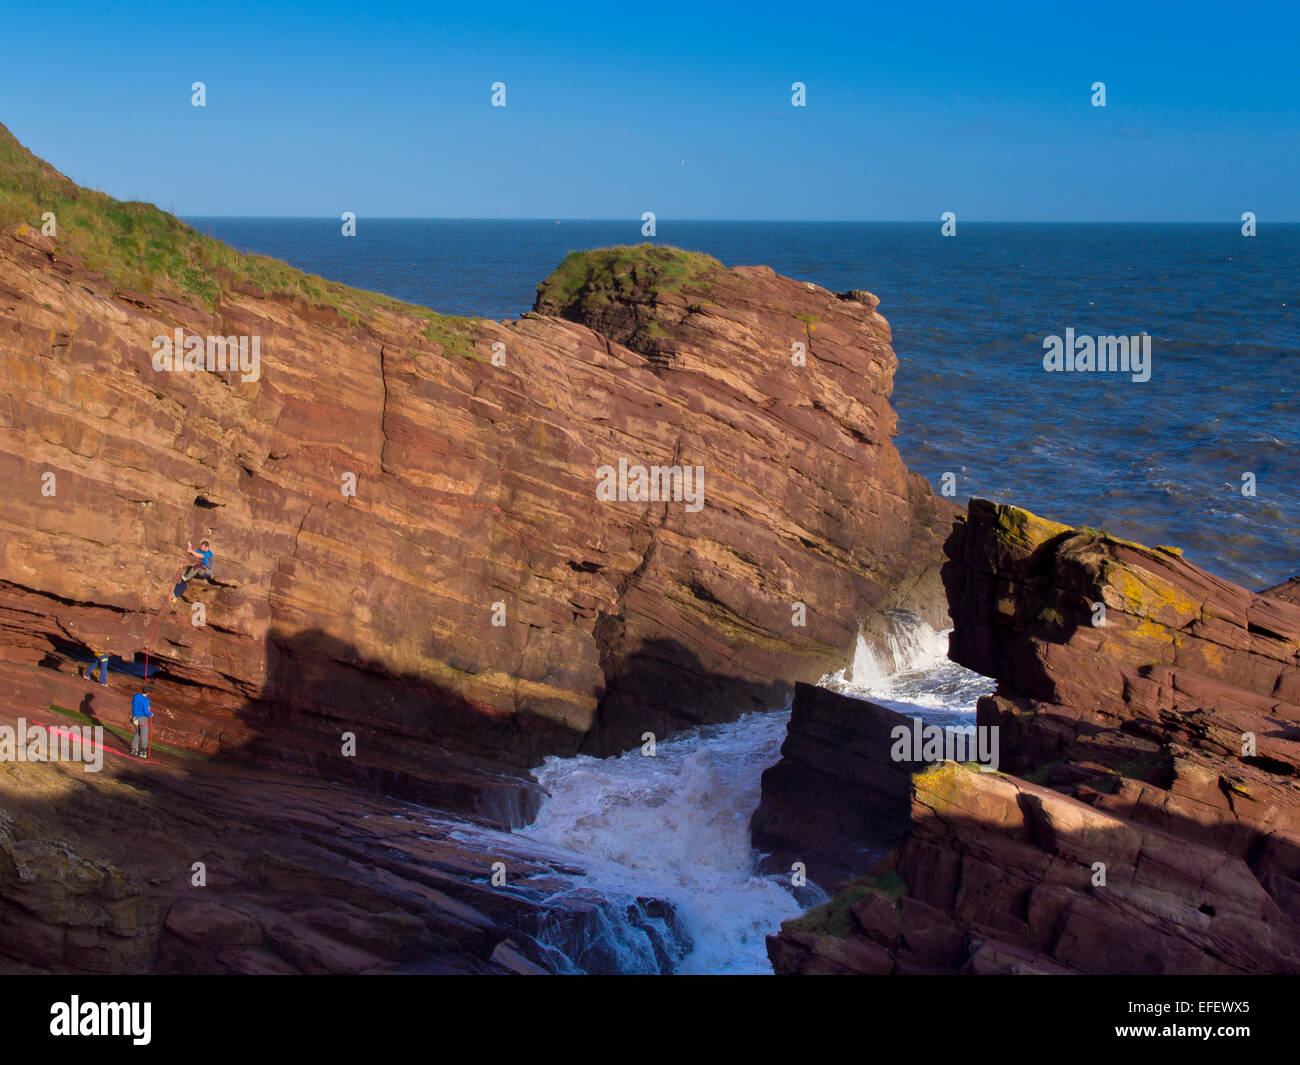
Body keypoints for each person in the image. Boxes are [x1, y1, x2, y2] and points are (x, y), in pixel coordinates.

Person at [131, 686, 153, 759]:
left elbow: (132, 702)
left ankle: (134, 750)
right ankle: (143, 752)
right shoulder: (146, 700)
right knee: (144, 734)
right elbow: (146, 712)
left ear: (141, 690)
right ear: (148, 693)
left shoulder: (136, 696)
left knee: (137, 732)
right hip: (142, 719)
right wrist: (151, 714)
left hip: (134, 718)